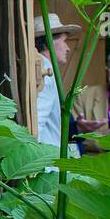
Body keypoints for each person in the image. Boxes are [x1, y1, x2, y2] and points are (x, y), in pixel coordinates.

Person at [34, 13, 80, 150]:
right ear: (49, 42)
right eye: (64, 41)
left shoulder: (42, 65)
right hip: (44, 156)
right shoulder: (44, 68)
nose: (68, 48)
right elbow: (37, 121)